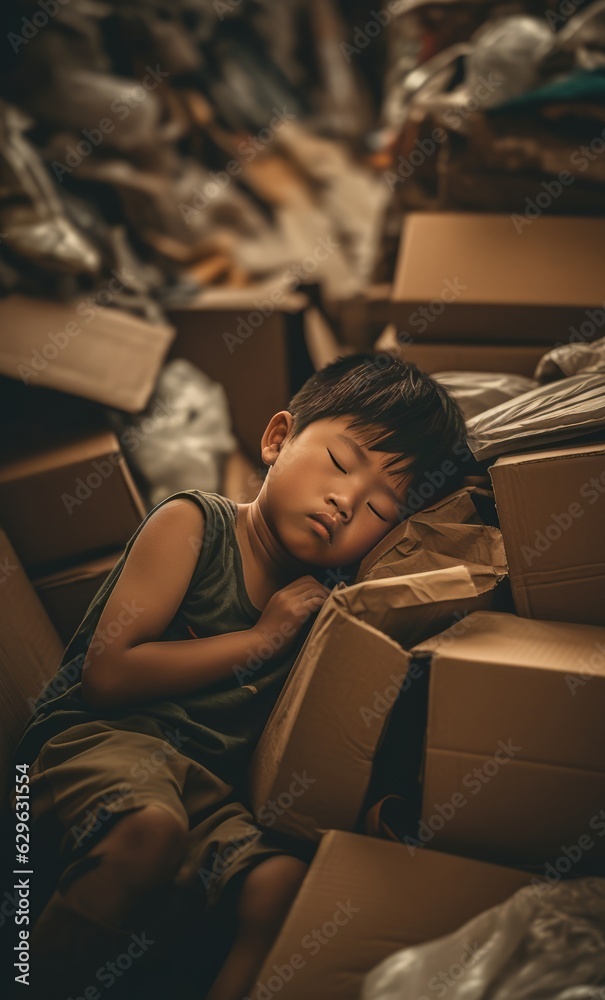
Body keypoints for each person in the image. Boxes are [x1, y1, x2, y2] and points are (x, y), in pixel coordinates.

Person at [9, 353, 467, 1000]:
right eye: (340, 464)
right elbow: (107, 675)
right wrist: (260, 638)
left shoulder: (325, 606)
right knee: (149, 829)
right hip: (95, 743)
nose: (346, 501)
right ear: (278, 438)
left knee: (279, 886)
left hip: (200, 788)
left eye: (381, 507)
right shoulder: (194, 525)